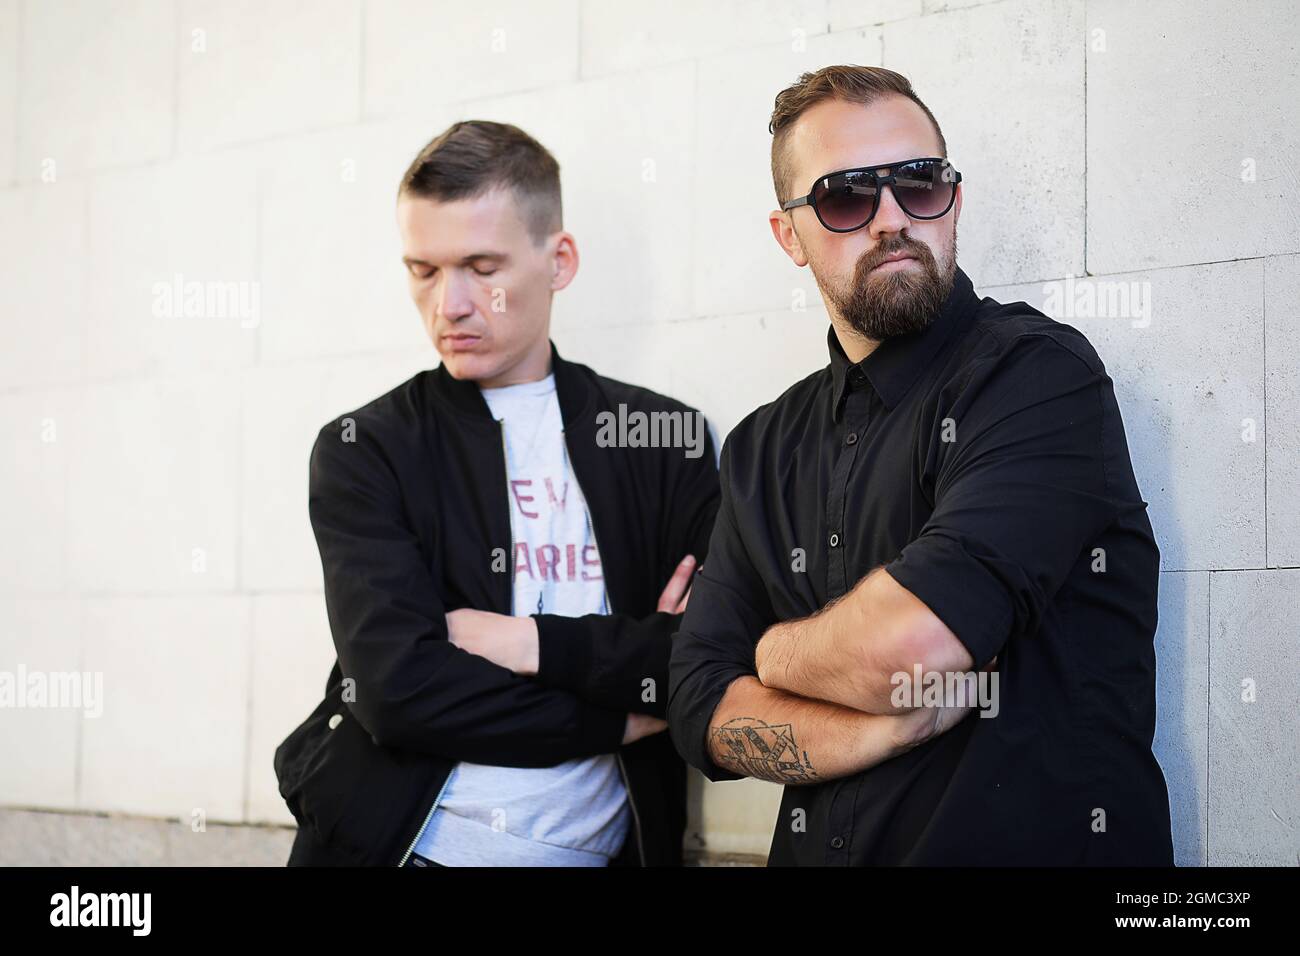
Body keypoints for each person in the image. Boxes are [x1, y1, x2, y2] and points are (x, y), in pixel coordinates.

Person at [667, 65, 1174, 865]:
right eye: (845, 196)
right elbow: (697, 703)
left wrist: (770, 654)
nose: (892, 219)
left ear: (954, 200)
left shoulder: (1037, 377)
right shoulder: (763, 447)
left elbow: (909, 652)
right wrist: (874, 729)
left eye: (920, 183)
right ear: (788, 235)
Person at [276, 120, 720, 866]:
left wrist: (526, 642)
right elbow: (397, 692)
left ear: (559, 260)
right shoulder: (367, 449)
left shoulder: (662, 438)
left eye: (482, 266)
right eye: (423, 269)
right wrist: (619, 717)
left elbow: (707, 658)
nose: (449, 304)